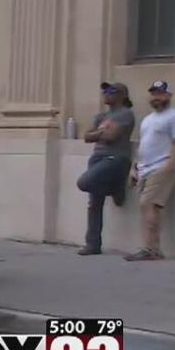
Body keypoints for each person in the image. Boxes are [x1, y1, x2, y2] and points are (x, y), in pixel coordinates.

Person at [126, 81, 175, 262]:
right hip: (145, 168)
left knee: (148, 203)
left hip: (162, 167)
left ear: (168, 96)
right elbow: (144, 146)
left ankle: (150, 249)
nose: (156, 97)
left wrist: (170, 167)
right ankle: (153, 248)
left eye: (160, 94)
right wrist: (134, 168)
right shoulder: (148, 119)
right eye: (153, 94)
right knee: (149, 207)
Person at [76, 82, 136, 256]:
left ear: (122, 95)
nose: (105, 93)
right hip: (97, 158)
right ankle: (93, 244)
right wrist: (99, 134)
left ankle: (116, 186)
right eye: (104, 91)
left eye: (110, 91)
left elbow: (111, 136)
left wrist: (99, 134)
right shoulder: (100, 116)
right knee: (94, 202)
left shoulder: (126, 114)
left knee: (84, 182)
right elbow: (86, 137)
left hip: (116, 158)